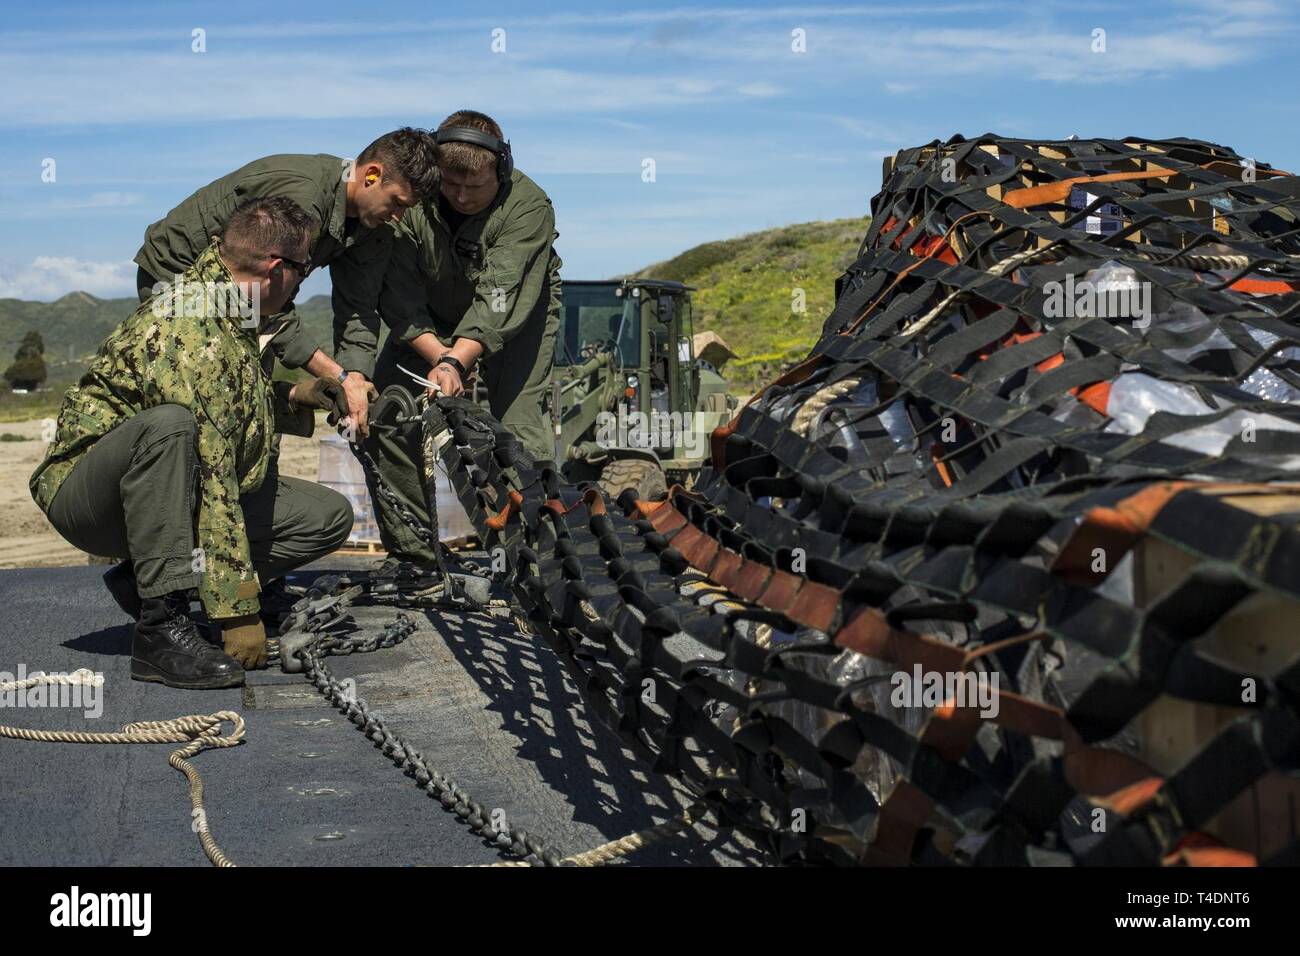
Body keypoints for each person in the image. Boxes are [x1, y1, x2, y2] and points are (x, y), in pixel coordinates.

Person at [31, 197, 356, 689]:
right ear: (275, 269)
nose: (301, 283)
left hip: (165, 493)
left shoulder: (231, 307)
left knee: (325, 515)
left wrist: (298, 393)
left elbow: (226, 402)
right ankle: (161, 627)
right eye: (303, 271)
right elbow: (212, 473)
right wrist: (238, 613)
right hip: (89, 496)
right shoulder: (190, 323)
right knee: (170, 426)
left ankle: (148, 579)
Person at [350, 110, 563, 569]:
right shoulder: (413, 203)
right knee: (389, 412)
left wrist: (454, 363)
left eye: (475, 186)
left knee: (520, 430)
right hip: (429, 319)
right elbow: (399, 293)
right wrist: (439, 356)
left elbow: (499, 296)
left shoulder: (528, 207)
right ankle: (415, 554)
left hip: (518, 316)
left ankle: (532, 557)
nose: (462, 197)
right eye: (450, 184)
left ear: (500, 171)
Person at [134, 128, 438, 438]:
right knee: (211, 397)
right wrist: (337, 375)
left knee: (250, 403)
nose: (399, 216)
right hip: (178, 275)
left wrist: (355, 382)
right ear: (372, 175)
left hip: (252, 296)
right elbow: (258, 295)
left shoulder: (373, 223)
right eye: (397, 202)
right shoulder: (303, 198)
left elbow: (358, 308)